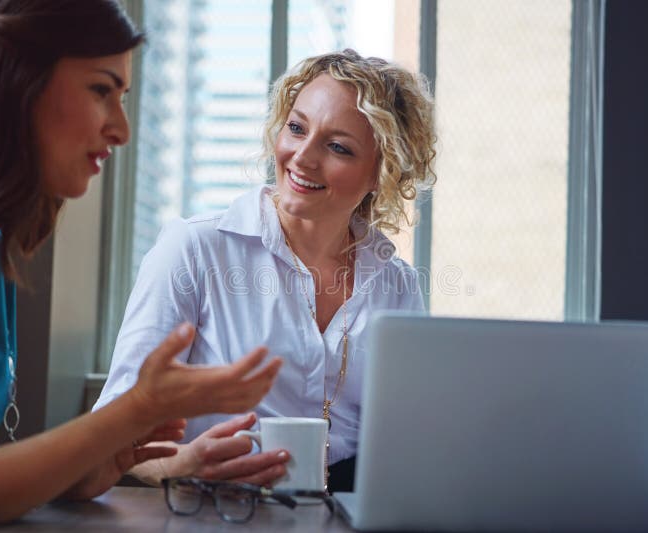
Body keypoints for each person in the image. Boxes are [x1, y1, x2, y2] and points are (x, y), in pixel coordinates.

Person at [0, 1, 282, 530]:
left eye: (124, 97)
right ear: (10, 76)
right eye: (100, 90)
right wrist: (134, 410)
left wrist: (90, 466)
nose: (122, 130)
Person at [94, 49, 437, 492]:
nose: (302, 157)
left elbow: (411, 445)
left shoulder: (398, 285)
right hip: (210, 511)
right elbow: (107, 441)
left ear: (382, 172)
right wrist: (186, 463)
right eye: (296, 128)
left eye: (338, 147)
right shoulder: (194, 250)